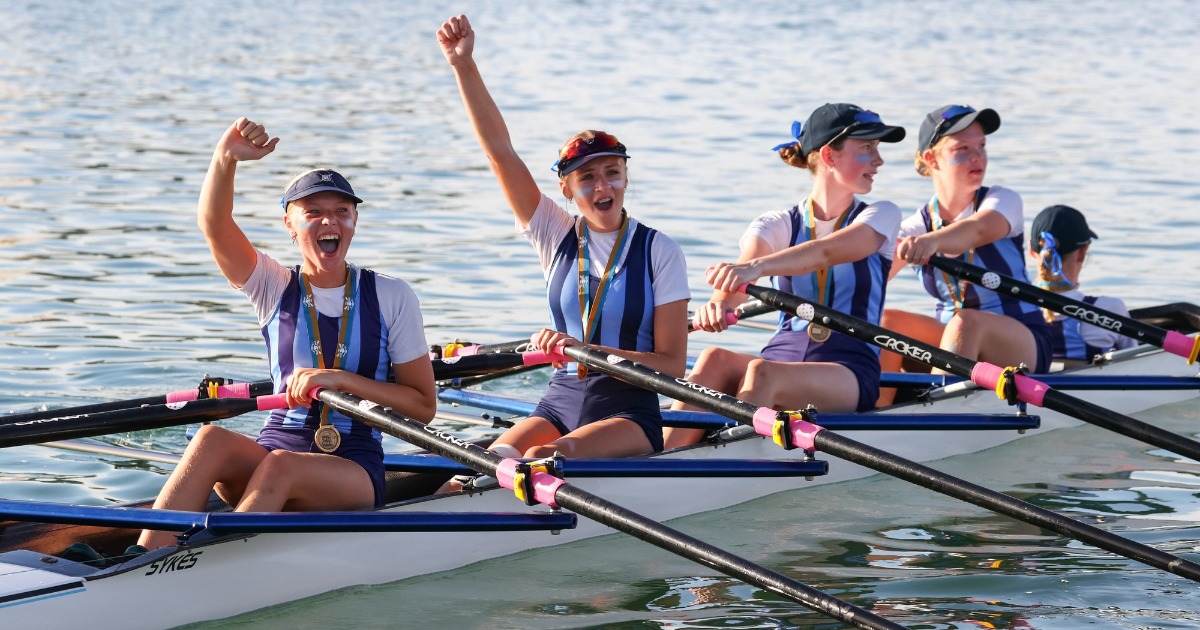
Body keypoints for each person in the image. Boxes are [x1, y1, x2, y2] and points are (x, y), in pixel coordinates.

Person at [136, 118, 437, 551]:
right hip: (272, 451)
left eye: (341, 211)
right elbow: (214, 227)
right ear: (290, 225)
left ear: (354, 221)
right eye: (312, 212)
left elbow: (423, 406)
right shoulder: (274, 285)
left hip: (351, 467)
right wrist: (225, 159)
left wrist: (340, 380)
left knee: (282, 467)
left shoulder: (392, 295)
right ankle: (146, 556)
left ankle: (213, 563)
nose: (328, 221)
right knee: (210, 439)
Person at [436, 14, 690, 467]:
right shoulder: (555, 233)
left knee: (544, 456)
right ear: (567, 191)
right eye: (587, 178)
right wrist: (463, 66)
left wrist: (589, 352)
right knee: (482, 468)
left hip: (629, 411)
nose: (602, 187)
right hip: (560, 399)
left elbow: (671, 365)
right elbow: (500, 153)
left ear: (626, 176)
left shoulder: (659, 251)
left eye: (612, 173)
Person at [664, 103, 905, 449]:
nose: (878, 160)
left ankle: (725, 463)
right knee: (713, 358)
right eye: (867, 148)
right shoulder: (777, 223)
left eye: (877, 149)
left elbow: (826, 251)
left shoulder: (881, 215)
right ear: (829, 155)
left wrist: (759, 268)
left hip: (848, 368)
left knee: (762, 373)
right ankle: (666, 456)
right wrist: (717, 304)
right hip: (780, 356)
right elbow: (742, 273)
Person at [876, 105, 1053, 406]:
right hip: (952, 341)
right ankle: (870, 414)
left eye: (981, 146)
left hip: (1022, 342)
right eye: (963, 148)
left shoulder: (1002, 201)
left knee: (966, 322)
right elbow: (870, 278)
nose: (978, 157)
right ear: (931, 159)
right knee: (887, 321)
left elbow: (978, 229)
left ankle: (942, 416)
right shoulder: (915, 226)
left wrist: (931, 242)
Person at [1029, 204, 1136, 365]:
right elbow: (1134, 365)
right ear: (1082, 252)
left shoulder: (1012, 310)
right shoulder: (1109, 309)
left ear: (1031, 251)